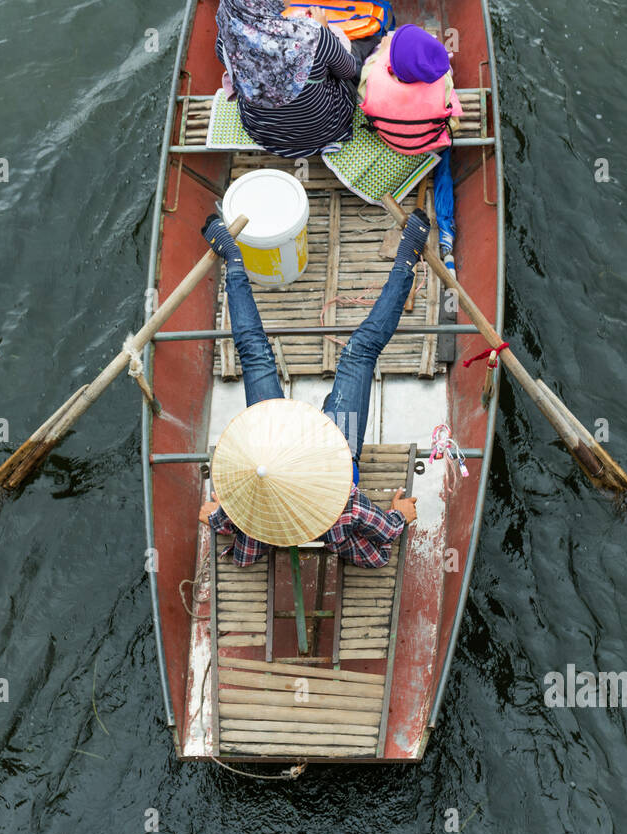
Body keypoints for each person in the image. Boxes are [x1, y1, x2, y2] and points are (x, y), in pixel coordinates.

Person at [196, 209, 432, 568]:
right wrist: (401, 512)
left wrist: (215, 517)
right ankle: (405, 262)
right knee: (358, 351)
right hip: (339, 444)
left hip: (272, 442)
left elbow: (237, 545)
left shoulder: (251, 511)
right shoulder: (344, 507)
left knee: (254, 353)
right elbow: (389, 531)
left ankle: (233, 259)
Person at [215, 1, 385, 159]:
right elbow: (348, 72)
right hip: (324, 129)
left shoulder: (224, 40)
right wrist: (325, 30)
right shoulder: (313, 35)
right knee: (359, 49)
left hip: (264, 132)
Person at [358, 23, 463, 155]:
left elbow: (369, 70)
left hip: (390, 140)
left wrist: (383, 51)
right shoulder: (444, 82)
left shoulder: (372, 78)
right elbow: (446, 74)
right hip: (425, 141)